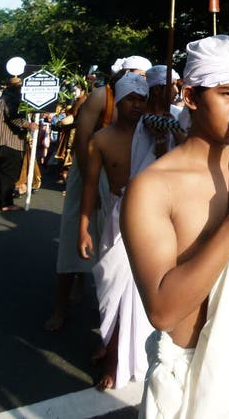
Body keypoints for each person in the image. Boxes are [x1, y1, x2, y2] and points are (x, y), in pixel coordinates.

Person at [120, 35, 229, 418]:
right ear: (190, 96)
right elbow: (164, 312)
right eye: (227, 94)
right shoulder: (151, 188)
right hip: (187, 383)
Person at [44, 55, 151, 332]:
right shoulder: (100, 97)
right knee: (73, 239)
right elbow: (83, 143)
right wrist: (93, 183)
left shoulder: (148, 104)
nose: (140, 83)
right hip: (90, 170)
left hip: (121, 186)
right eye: (136, 75)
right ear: (123, 75)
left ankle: (111, 312)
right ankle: (60, 306)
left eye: (144, 77)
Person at [78, 71, 153, 391]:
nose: (137, 106)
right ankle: (110, 344)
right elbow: (91, 186)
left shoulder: (154, 134)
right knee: (111, 287)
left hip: (147, 217)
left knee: (135, 291)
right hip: (114, 218)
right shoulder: (101, 139)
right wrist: (83, 227)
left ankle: (117, 356)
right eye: (130, 100)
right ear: (118, 102)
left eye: (142, 100)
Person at [0, 81, 38, 212]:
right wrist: (28, 125)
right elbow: (12, 116)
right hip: (10, 143)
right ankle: (6, 203)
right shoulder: (11, 100)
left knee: (0, 173)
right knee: (8, 175)